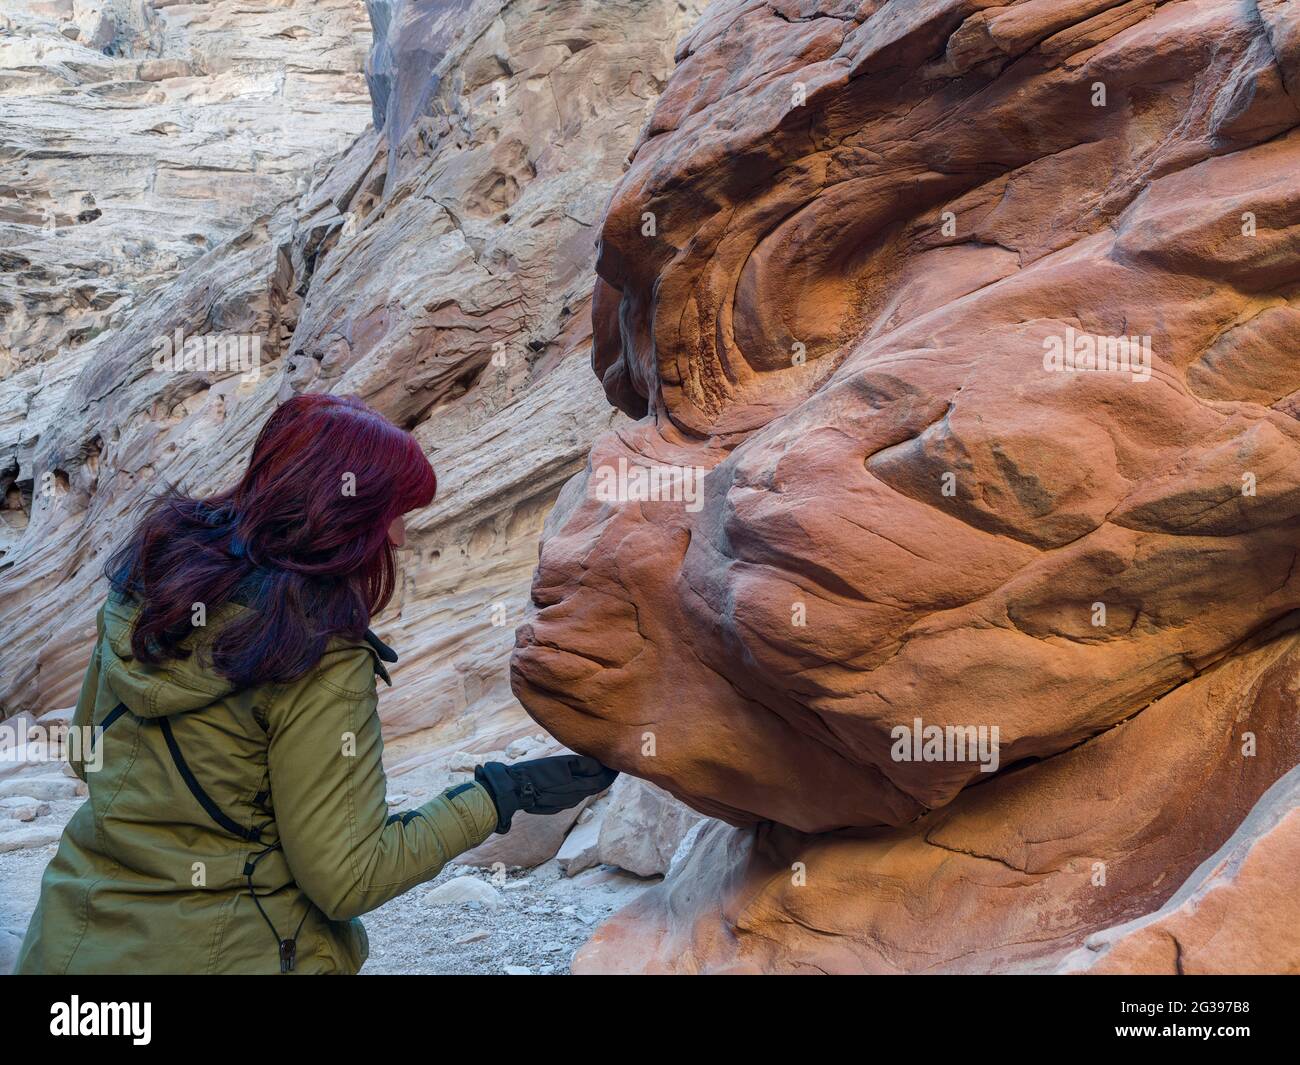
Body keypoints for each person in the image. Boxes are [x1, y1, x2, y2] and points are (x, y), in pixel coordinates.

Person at [15, 393, 616, 974]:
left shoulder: (145, 589)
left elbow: (82, 754)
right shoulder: (313, 651)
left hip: (67, 947)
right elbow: (348, 878)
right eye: (394, 514)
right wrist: (502, 796)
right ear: (344, 515)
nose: (401, 536)